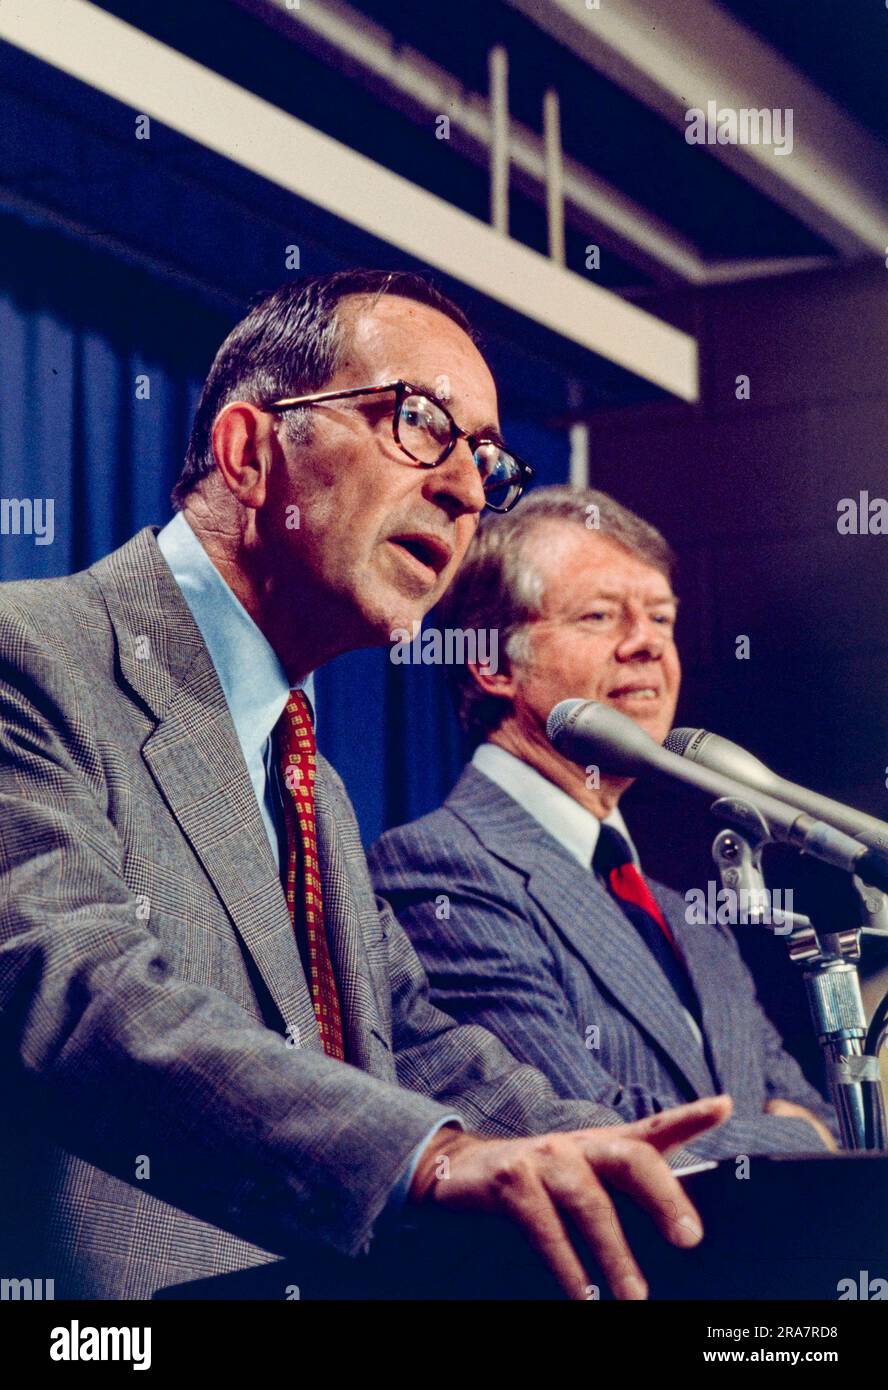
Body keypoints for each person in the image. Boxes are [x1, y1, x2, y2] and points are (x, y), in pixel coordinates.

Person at [0, 271, 730, 1303]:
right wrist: (425, 1157)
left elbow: (423, 1049)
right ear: (250, 452)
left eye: (487, 461)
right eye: (421, 423)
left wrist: (694, 1178)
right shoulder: (29, 655)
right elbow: (72, 996)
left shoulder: (313, 785)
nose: (470, 492)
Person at [368, 486, 838, 1160]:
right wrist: (799, 1136)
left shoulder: (685, 915)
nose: (647, 644)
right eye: (599, 616)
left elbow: (823, 1118)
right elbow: (587, 1136)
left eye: (662, 618)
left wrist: (806, 1132)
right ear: (495, 663)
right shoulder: (438, 867)